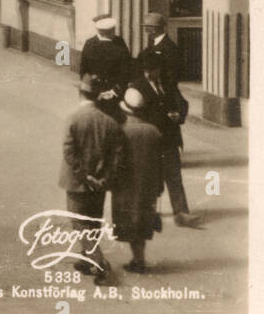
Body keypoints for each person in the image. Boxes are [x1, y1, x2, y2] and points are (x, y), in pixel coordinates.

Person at [58, 74, 125, 279]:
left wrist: (85, 176)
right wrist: (103, 178)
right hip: (100, 183)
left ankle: (98, 261)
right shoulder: (110, 122)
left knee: (79, 222)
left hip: (78, 182)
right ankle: (86, 259)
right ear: (98, 96)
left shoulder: (74, 119)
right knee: (93, 220)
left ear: (80, 93)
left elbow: (69, 153)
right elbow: (117, 155)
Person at [131, 57, 203, 229]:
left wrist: (179, 114)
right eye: (146, 70)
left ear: (159, 69)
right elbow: (138, 114)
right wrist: (165, 117)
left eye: (152, 70)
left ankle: (181, 214)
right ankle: (148, 214)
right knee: (150, 179)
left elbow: (183, 104)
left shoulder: (169, 84)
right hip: (150, 140)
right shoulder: (137, 87)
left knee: (174, 177)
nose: (148, 74)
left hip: (170, 140)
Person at [111, 88, 165, 275]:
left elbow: (117, 160)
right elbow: (160, 162)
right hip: (148, 184)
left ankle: (138, 260)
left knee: (130, 220)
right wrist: (159, 186)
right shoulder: (154, 132)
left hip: (127, 185)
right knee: (142, 219)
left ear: (125, 111)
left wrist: (112, 180)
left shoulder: (122, 132)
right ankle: (139, 258)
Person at [79, 15, 132, 111]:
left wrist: (89, 89)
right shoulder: (119, 44)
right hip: (115, 91)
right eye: (112, 30)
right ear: (110, 31)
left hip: (93, 91)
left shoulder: (89, 43)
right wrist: (115, 91)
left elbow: (83, 70)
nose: (114, 31)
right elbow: (127, 70)